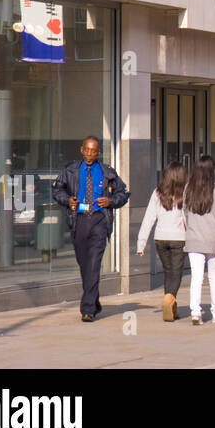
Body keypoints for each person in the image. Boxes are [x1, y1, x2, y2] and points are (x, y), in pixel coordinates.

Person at [52, 136, 129, 322]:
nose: (89, 154)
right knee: (84, 264)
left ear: (98, 153)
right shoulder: (70, 170)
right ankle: (93, 301)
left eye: (93, 151)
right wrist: (67, 200)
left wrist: (110, 201)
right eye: (86, 150)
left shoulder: (107, 172)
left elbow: (123, 193)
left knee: (94, 263)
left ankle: (87, 309)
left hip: (99, 221)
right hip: (78, 220)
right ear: (81, 150)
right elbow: (56, 190)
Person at [135, 160, 187, 322]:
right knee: (176, 273)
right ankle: (169, 299)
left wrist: (141, 243)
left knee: (168, 272)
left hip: (160, 238)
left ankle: (172, 307)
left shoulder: (158, 192)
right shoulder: (185, 192)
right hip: (179, 238)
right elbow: (188, 218)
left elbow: (149, 218)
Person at [183, 155, 215, 325]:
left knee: (196, 277)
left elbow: (184, 213)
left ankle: (195, 312)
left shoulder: (188, 189)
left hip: (193, 238)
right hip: (213, 238)